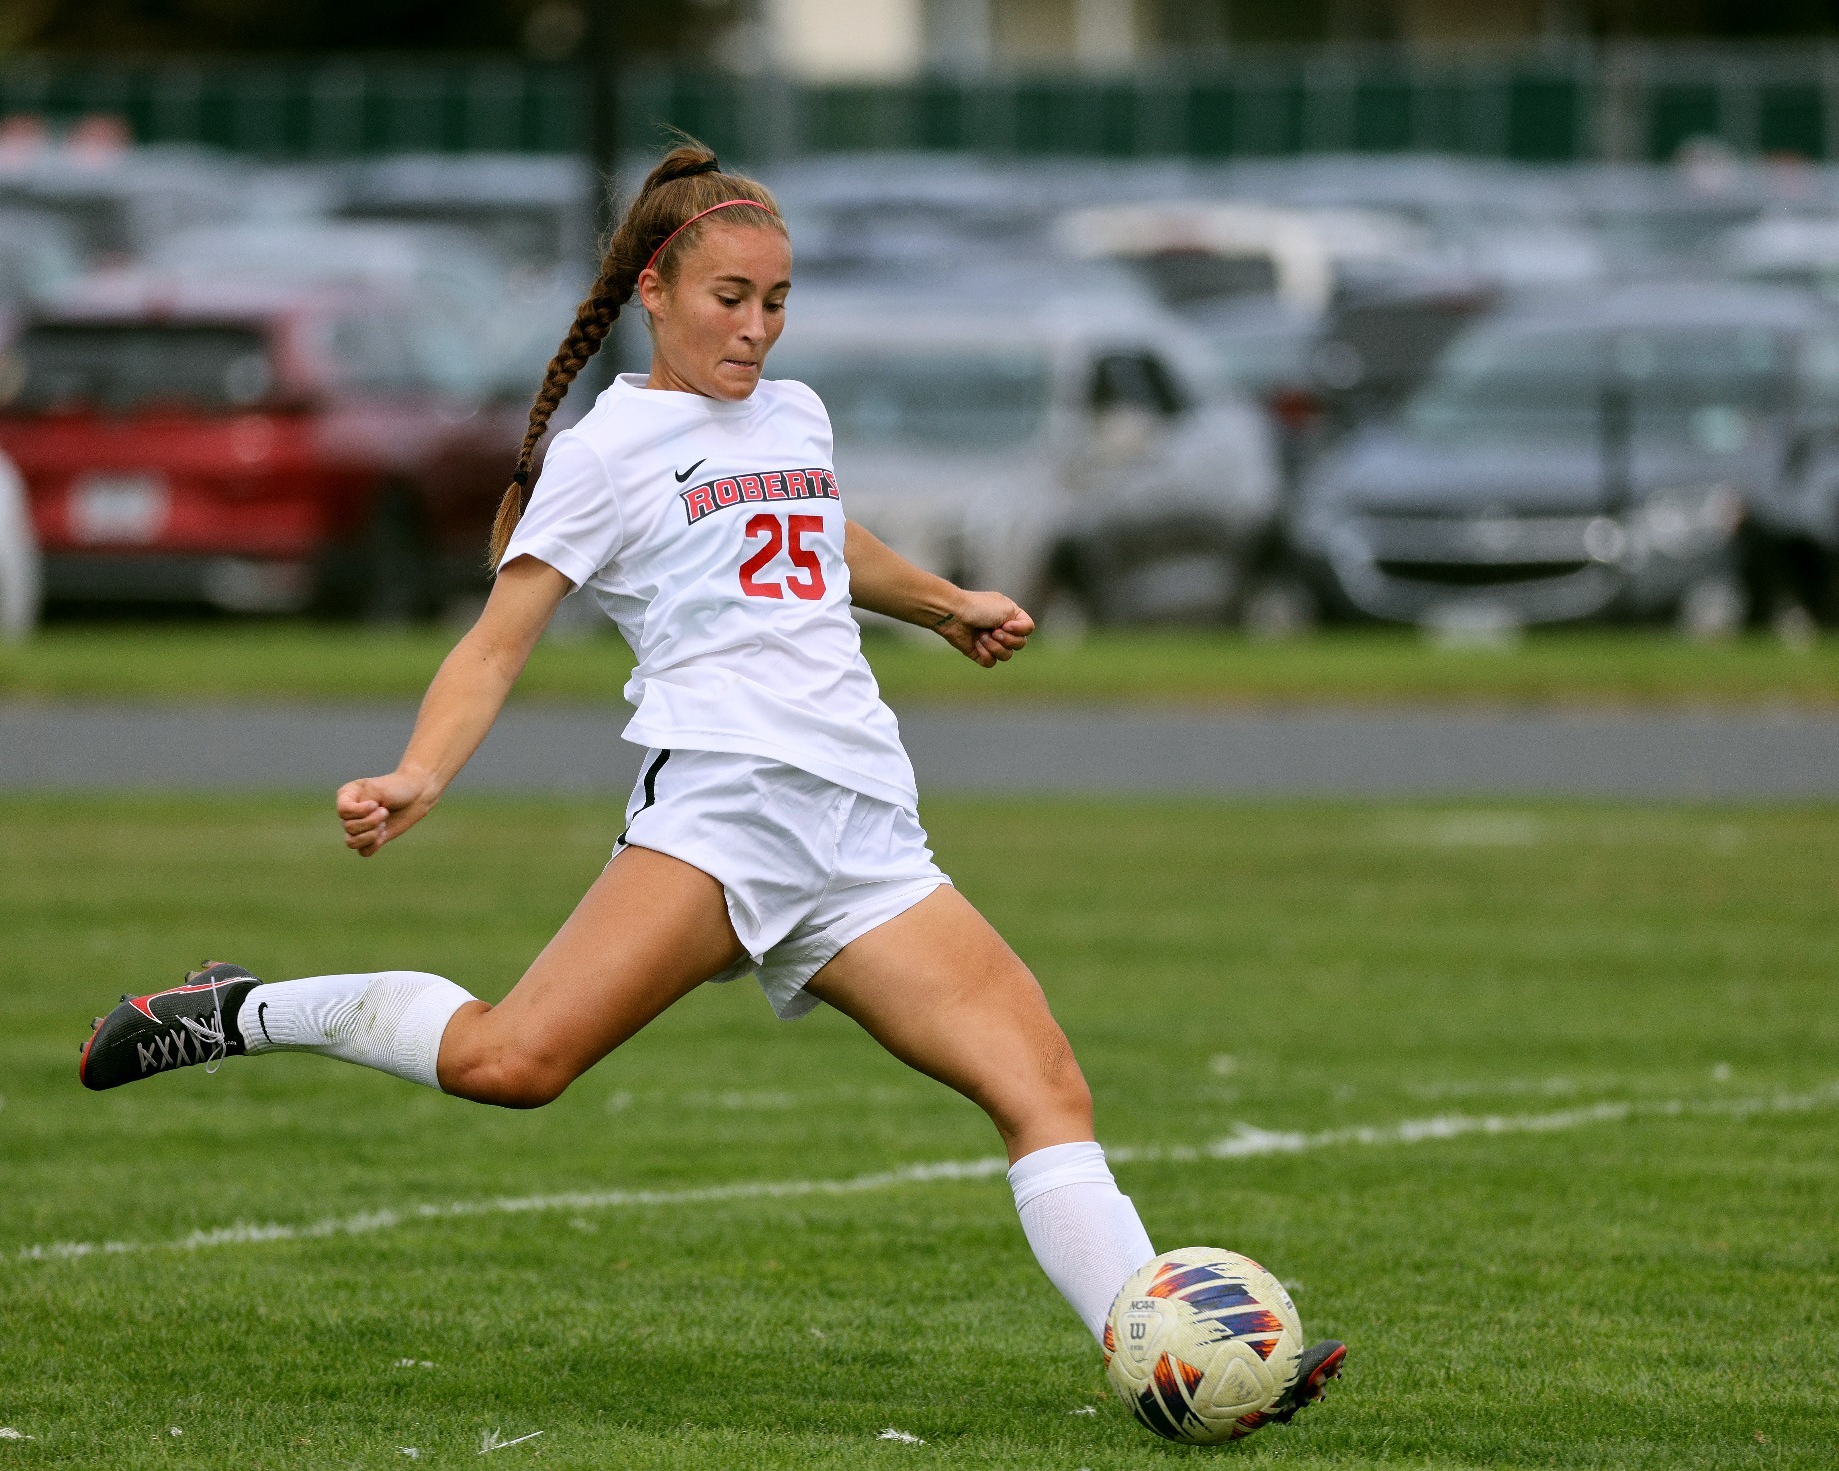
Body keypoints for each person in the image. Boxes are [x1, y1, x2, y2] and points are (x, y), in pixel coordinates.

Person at [77, 144, 1343, 1425]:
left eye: (776, 300)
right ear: (655, 292)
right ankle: (238, 1010)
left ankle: (1176, 1359)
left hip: (862, 830)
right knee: (512, 1063)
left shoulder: (793, 415)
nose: (755, 326)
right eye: (730, 297)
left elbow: (812, 535)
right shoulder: (606, 450)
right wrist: (417, 772)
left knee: (1043, 1089)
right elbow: (495, 639)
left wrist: (941, 602)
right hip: (725, 812)